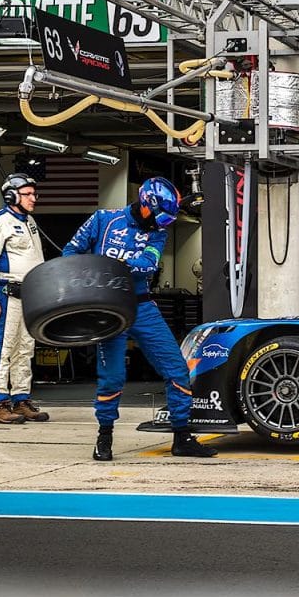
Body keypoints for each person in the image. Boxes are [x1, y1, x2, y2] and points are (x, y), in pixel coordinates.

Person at [62, 176, 217, 461]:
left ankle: (182, 437)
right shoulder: (103, 220)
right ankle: (104, 437)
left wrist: (113, 264)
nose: (164, 224)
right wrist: (87, 277)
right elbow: (70, 252)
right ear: (146, 204)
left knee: (177, 369)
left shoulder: (158, 230)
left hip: (142, 307)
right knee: (113, 378)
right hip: (108, 308)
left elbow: (147, 266)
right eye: (161, 217)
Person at [0, 174, 49, 424]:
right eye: (28, 194)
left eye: (34, 194)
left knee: (25, 350)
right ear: (12, 196)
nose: (33, 198)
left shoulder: (29, 222)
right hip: (7, 293)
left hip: (29, 294)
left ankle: (21, 398)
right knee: (3, 349)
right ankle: (0, 404)